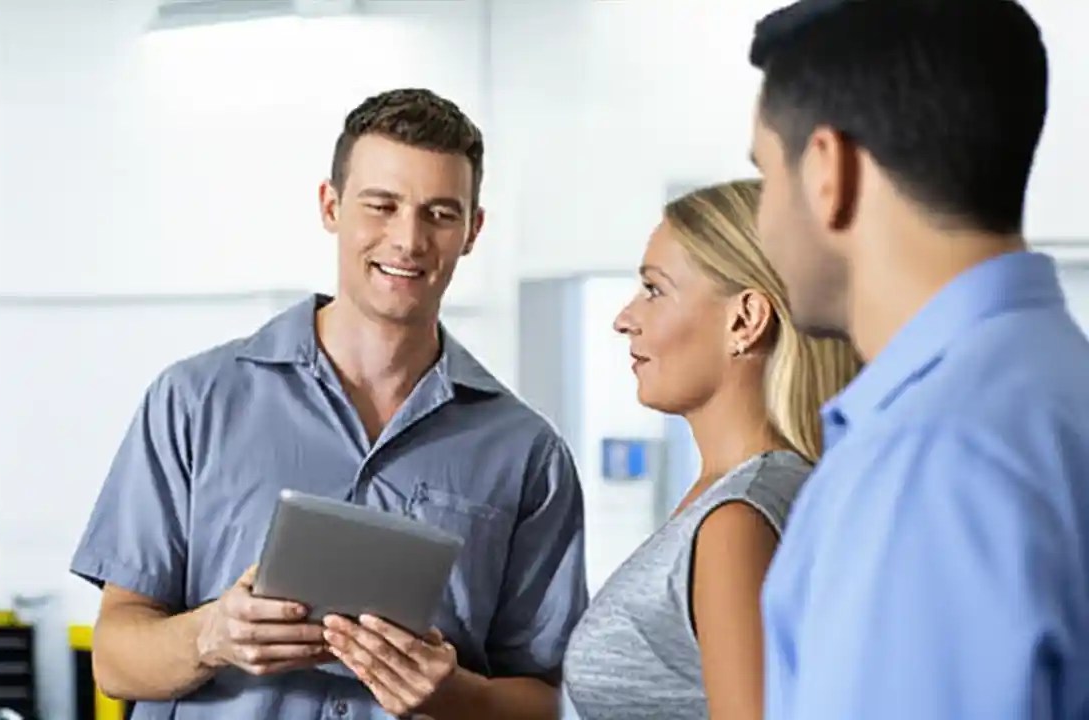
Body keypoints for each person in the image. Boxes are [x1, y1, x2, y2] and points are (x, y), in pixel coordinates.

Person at [69, 88, 588, 719]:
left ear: (473, 231)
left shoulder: (526, 453)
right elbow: (115, 657)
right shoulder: (194, 402)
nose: (409, 240)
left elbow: (549, 701)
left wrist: (457, 696)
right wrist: (212, 637)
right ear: (330, 206)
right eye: (382, 205)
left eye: (440, 214)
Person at [747, 1, 1089, 718]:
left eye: (763, 176)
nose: (762, 220)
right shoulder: (1057, 386)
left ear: (826, 170)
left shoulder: (926, 461)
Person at [561, 180, 860, 720]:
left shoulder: (737, 521)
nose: (624, 318)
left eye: (654, 290)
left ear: (744, 321)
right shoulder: (762, 496)